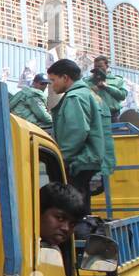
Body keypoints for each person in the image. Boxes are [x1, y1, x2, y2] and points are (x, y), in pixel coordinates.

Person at [48, 59, 107, 206]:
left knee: (73, 205)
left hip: (78, 160)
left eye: (53, 80)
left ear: (65, 78)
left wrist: (61, 158)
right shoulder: (87, 93)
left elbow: (77, 132)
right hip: (86, 159)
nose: (51, 84)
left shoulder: (75, 97)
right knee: (80, 204)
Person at [39, 181, 85, 249]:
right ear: (39, 211)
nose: (66, 228)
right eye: (60, 218)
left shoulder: (52, 250)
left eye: (72, 224)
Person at [91, 55, 127, 121]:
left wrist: (106, 87)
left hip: (112, 115)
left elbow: (123, 95)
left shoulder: (117, 80)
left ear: (107, 66)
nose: (97, 68)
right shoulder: (88, 81)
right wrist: (92, 90)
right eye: (95, 66)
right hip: (95, 114)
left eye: (100, 66)